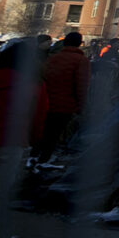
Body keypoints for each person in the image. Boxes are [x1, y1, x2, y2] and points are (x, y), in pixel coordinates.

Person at [37, 31, 90, 163]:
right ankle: (44, 160)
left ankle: (35, 157)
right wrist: (81, 106)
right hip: (66, 103)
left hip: (47, 100)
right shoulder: (81, 60)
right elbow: (82, 85)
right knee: (55, 133)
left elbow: (44, 77)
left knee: (45, 131)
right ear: (79, 43)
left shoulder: (53, 58)